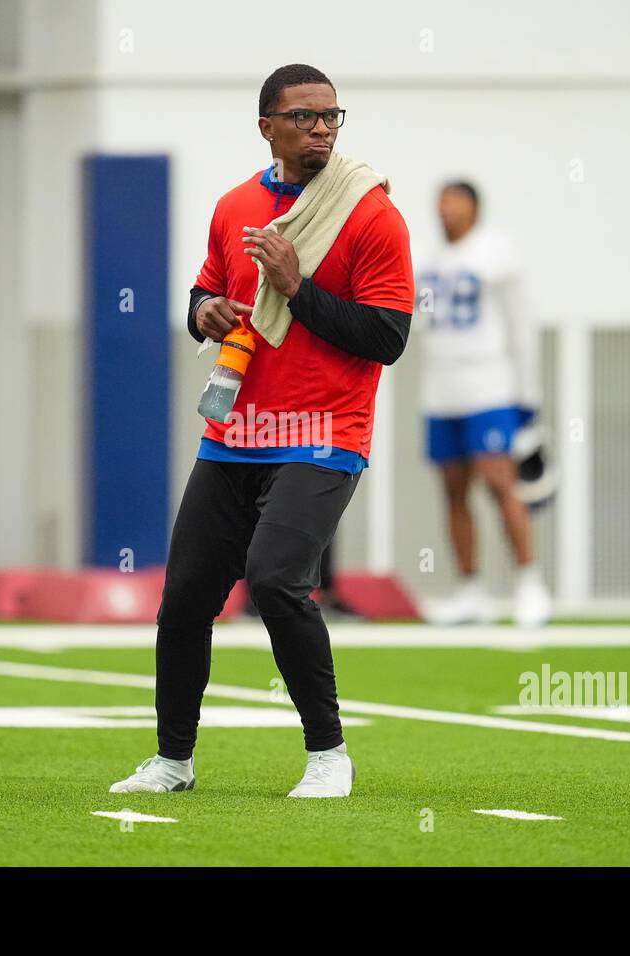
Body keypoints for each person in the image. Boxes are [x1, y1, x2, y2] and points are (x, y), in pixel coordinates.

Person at [109, 64, 413, 798]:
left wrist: (295, 290)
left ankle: (328, 755)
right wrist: (199, 313)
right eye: (304, 117)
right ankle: (174, 761)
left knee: (278, 581)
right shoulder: (234, 205)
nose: (321, 129)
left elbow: (387, 335)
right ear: (267, 127)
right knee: (184, 598)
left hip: (323, 432)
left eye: (332, 117)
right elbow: (209, 288)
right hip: (236, 433)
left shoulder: (370, 213)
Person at [414, 182, 551, 627]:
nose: (445, 210)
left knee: (499, 482)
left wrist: (527, 394)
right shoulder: (429, 260)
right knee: (453, 489)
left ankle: (529, 582)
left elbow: (520, 323)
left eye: (454, 202)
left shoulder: (495, 253)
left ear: (474, 208)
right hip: (441, 387)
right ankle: (470, 588)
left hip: (489, 384)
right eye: (441, 203)